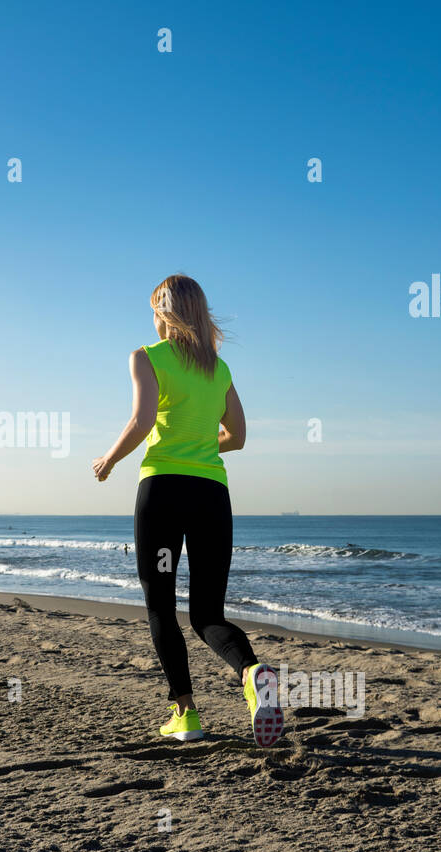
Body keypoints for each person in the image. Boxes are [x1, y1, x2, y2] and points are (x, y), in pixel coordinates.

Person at [92, 274, 283, 747]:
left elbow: (141, 420)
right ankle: (253, 673)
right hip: (211, 495)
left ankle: (186, 715)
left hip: (163, 490)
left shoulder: (146, 357)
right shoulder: (218, 369)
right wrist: (203, 443)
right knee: (207, 613)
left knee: (161, 605)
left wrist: (110, 459)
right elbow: (236, 437)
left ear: (163, 312)